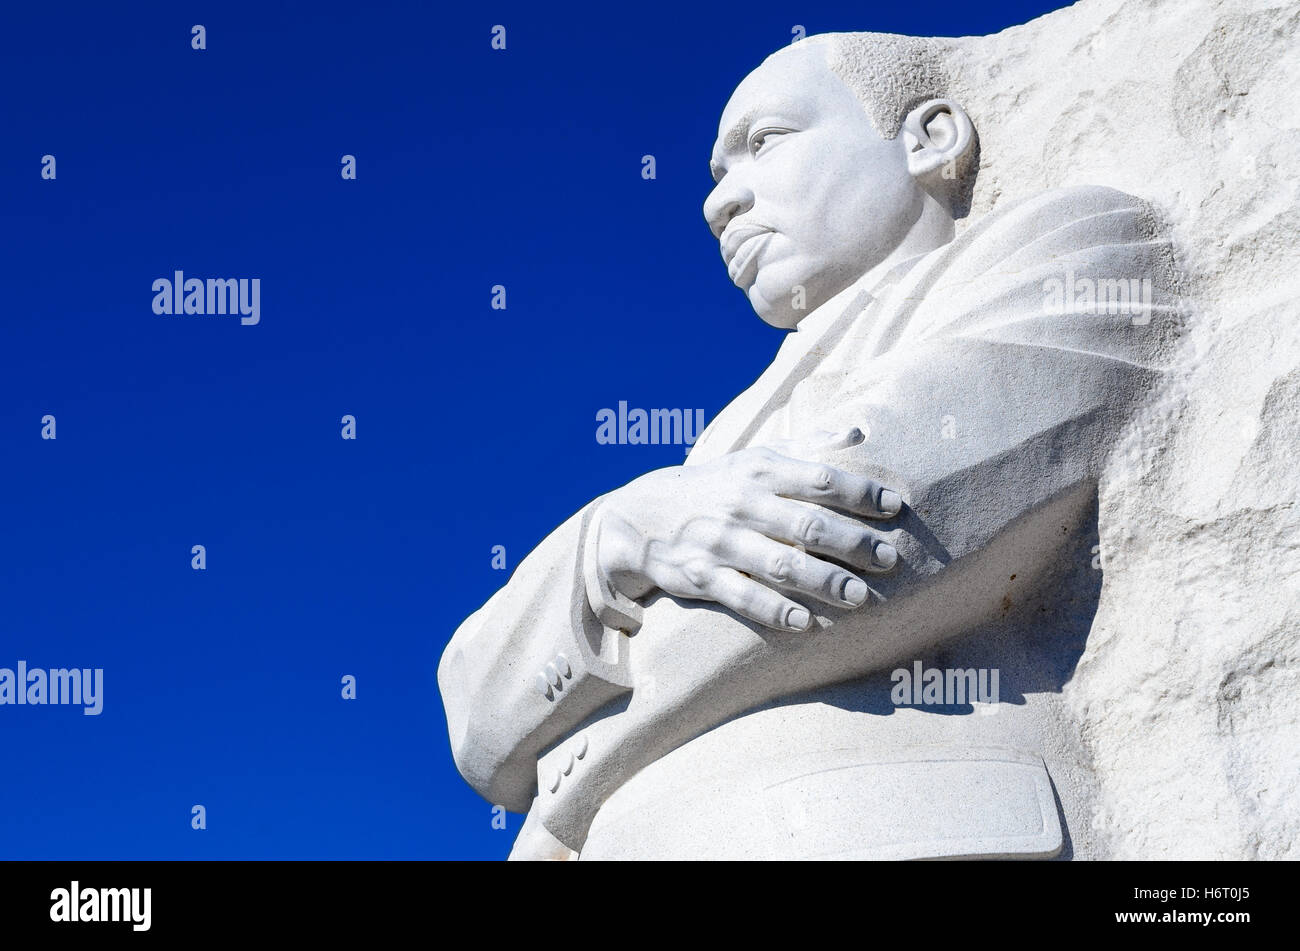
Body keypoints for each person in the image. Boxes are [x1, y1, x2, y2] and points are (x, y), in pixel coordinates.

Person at [438, 32, 1182, 859]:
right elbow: (473, 723)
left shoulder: (1070, 251)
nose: (718, 204)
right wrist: (617, 536)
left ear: (930, 139)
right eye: (717, 180)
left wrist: (560, 767)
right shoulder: (710, 453)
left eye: (764, 142)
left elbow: (867, 536)